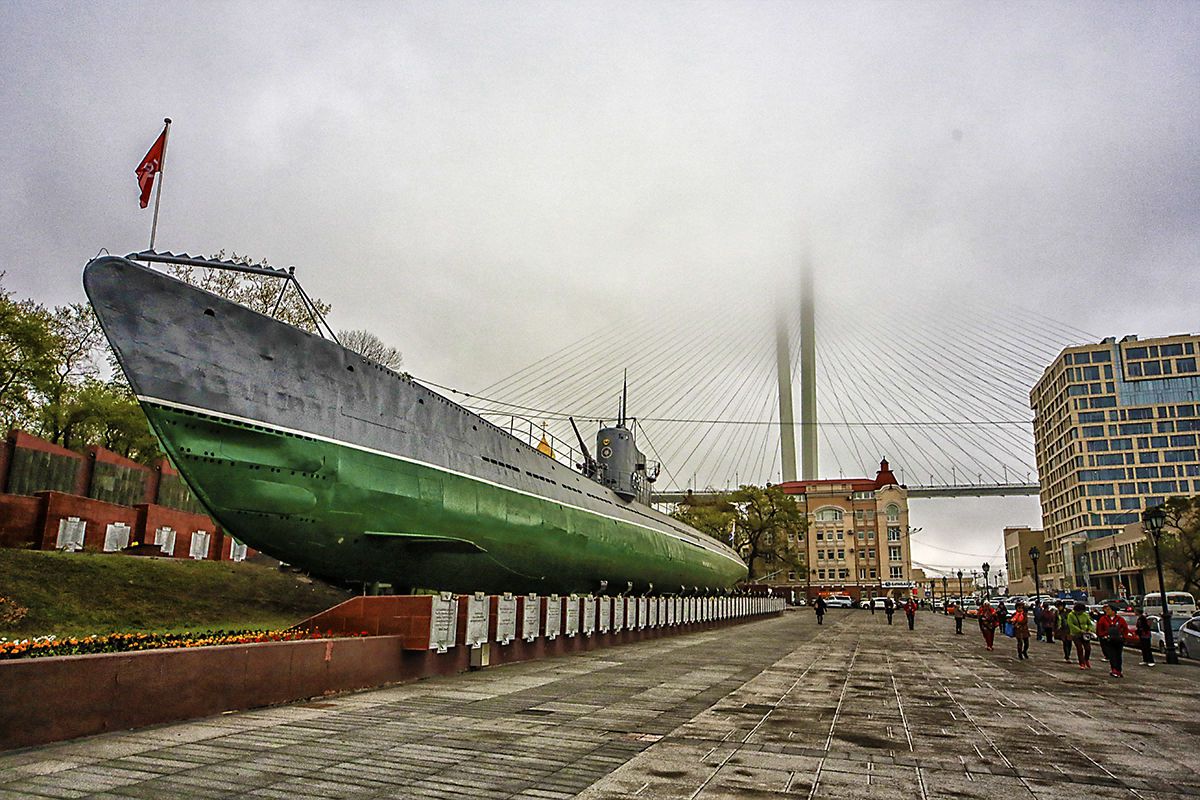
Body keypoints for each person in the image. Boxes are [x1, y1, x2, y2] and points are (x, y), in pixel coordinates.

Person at [1096, 606, 1129, 678]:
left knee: (1118, 655)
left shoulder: (1120, 619)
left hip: (1118, 640)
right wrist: (1103, 635)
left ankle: (1119, 670)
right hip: (1108, 640)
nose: (1107, 611)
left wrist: (1124, 637)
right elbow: (1099, 629)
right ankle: (1114, 670)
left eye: (1109, 610)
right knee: (1112, 655)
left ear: (1113, 611)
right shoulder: (1103, 619)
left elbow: (1125, 629)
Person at [1065, 601, 1095, 669]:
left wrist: (1089, 629)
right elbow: (1071, 625)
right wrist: (1080, 631)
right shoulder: (1071, 615)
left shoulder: (1085, 615)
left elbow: (1090, 623)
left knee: (1088, 648)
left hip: (1085, 634)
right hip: (1076, 634)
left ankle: (1086, 659)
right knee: (1079, 648)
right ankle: (1082, 663)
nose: (1081, 612)